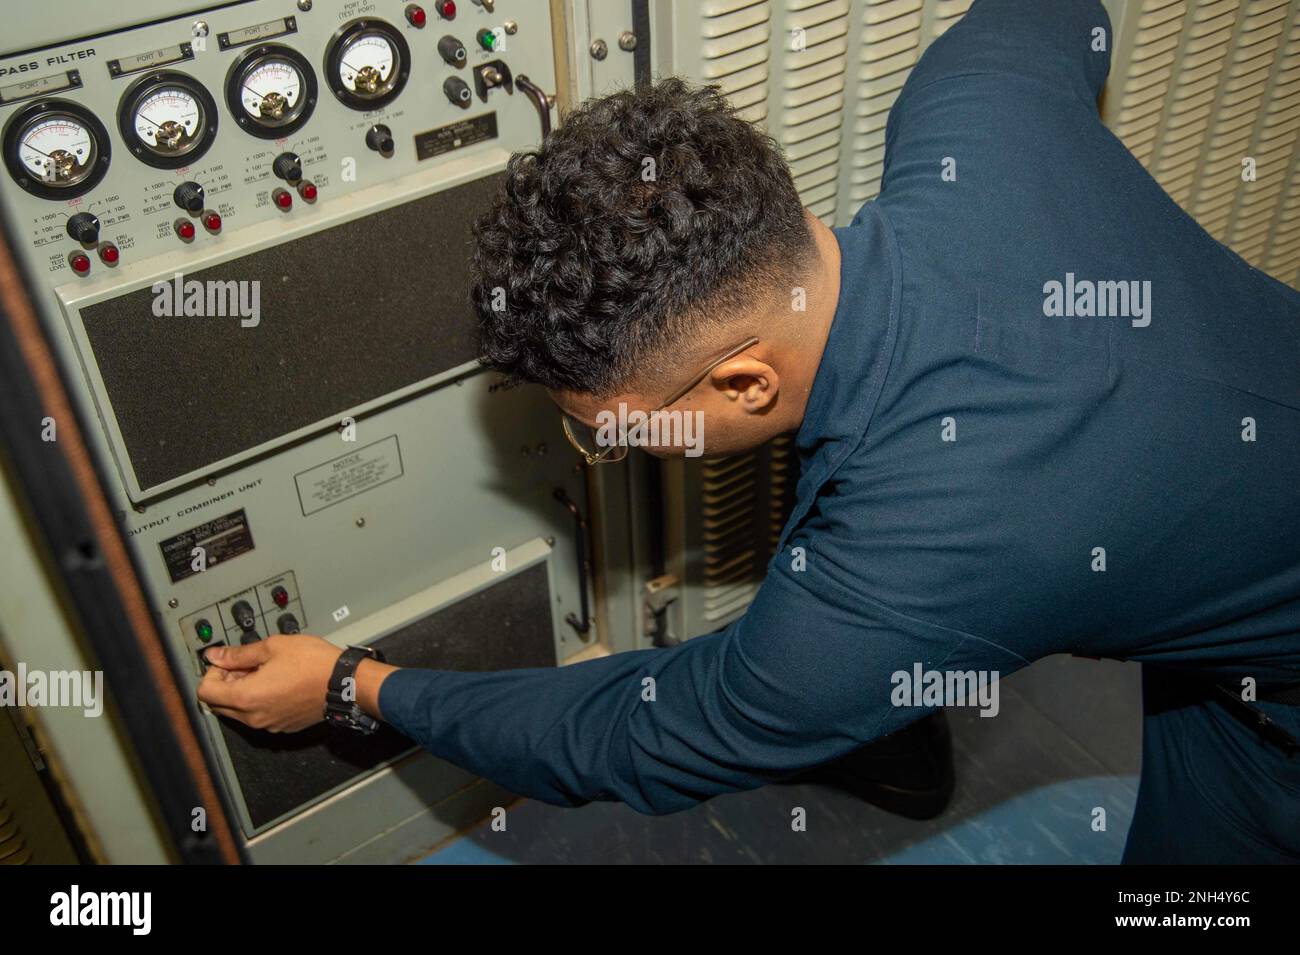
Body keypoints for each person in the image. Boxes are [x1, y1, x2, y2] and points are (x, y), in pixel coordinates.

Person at [199, 0, 1300, 862]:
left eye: (612, 436)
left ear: (740, 382)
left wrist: (356, 685)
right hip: (1227, 580)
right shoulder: (977, 109)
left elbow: (638, 731)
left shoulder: (899, 581)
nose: (611, 454)